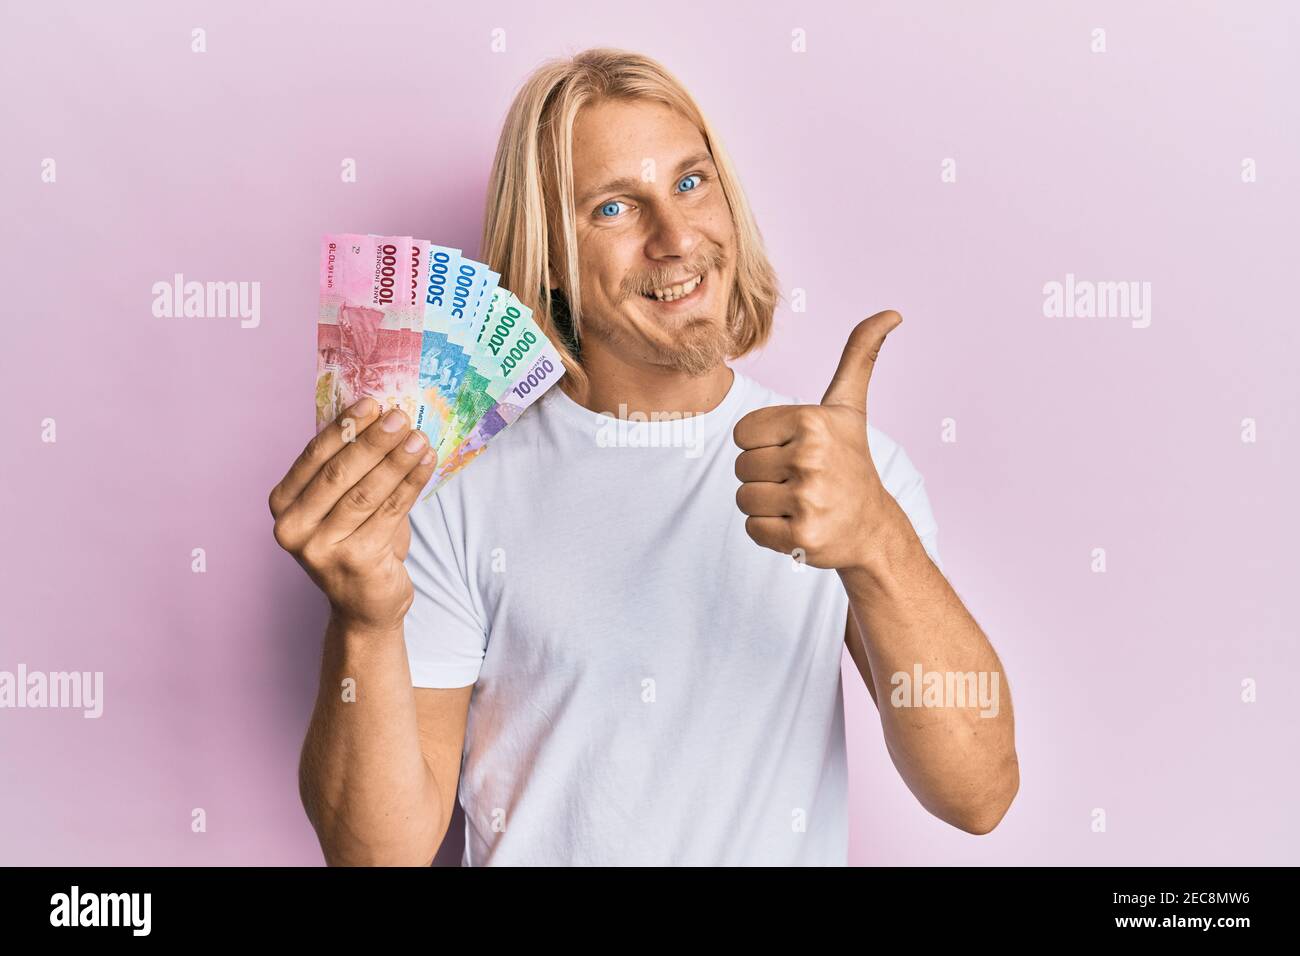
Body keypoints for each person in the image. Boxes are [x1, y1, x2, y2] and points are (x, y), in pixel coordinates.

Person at [270, 48, 1019, 866]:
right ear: (549, 255)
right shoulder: (458, 487)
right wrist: (364, 623)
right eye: (615, 208)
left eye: (691, 184)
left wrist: (879, 540)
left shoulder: (844, 473)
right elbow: (379, 856)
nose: (676, 238)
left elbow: (978, 794)